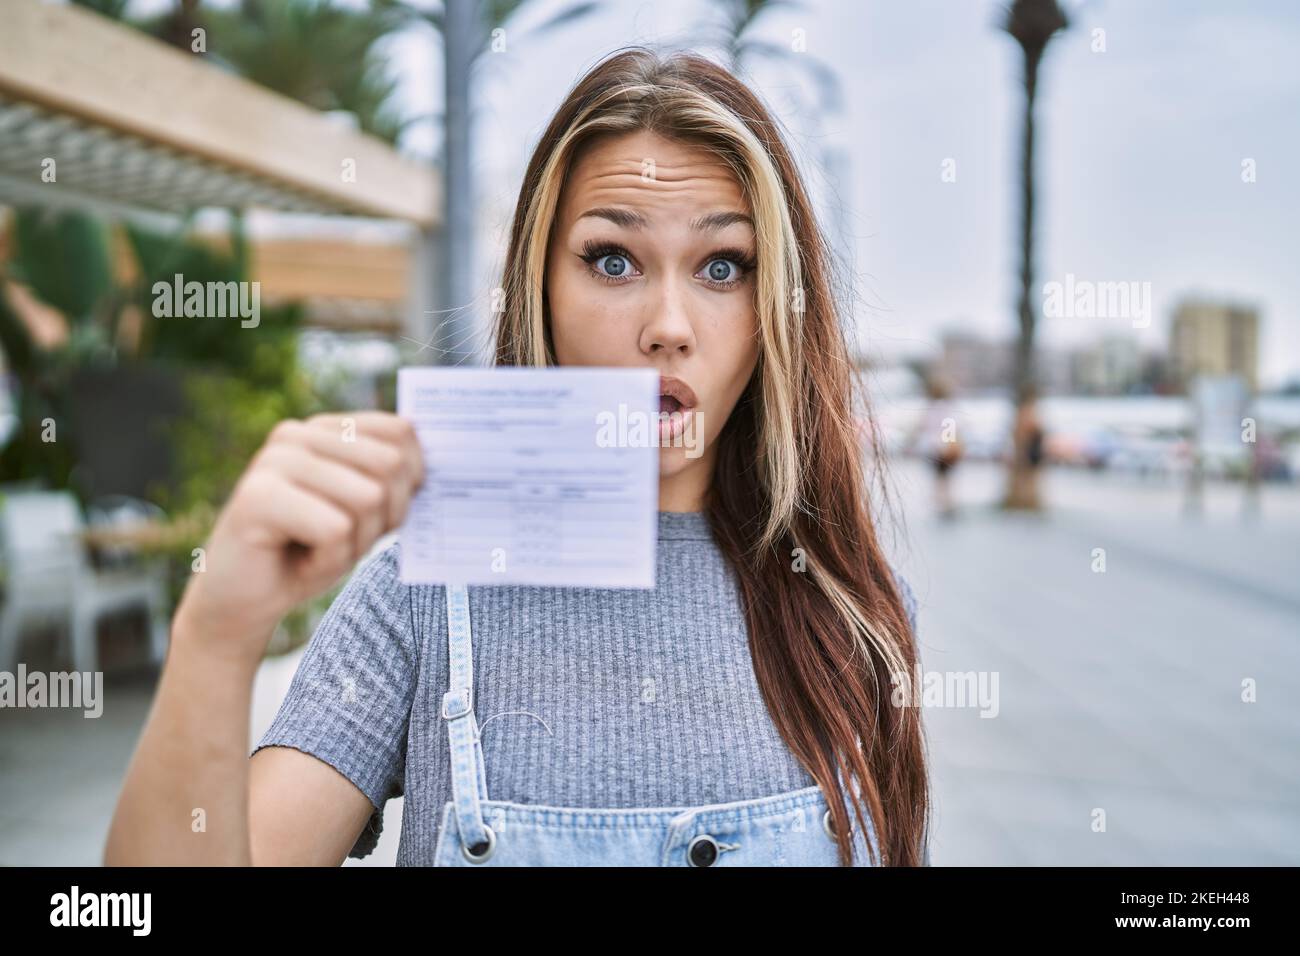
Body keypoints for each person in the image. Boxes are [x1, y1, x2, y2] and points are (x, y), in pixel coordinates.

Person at [105, 47, 931, 867]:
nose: (669, 325)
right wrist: (216, 636)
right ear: (539, 288)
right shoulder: (420, 595)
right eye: (613, 260)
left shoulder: (854, 610)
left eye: (724, 266)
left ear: (776, 309)